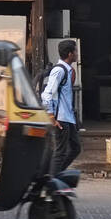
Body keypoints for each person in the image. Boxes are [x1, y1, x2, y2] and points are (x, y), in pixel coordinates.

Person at [41, 39, 81, 173]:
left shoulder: (68, 70)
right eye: (75, 51)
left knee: (75, 148)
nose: (77, 53)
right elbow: (47, 94)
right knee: (60, 153)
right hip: (60, 118)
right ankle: (52, 182)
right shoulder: (59, 71)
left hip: (68, 117)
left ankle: (55, 175)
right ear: (70, 54)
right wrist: (51, 116)